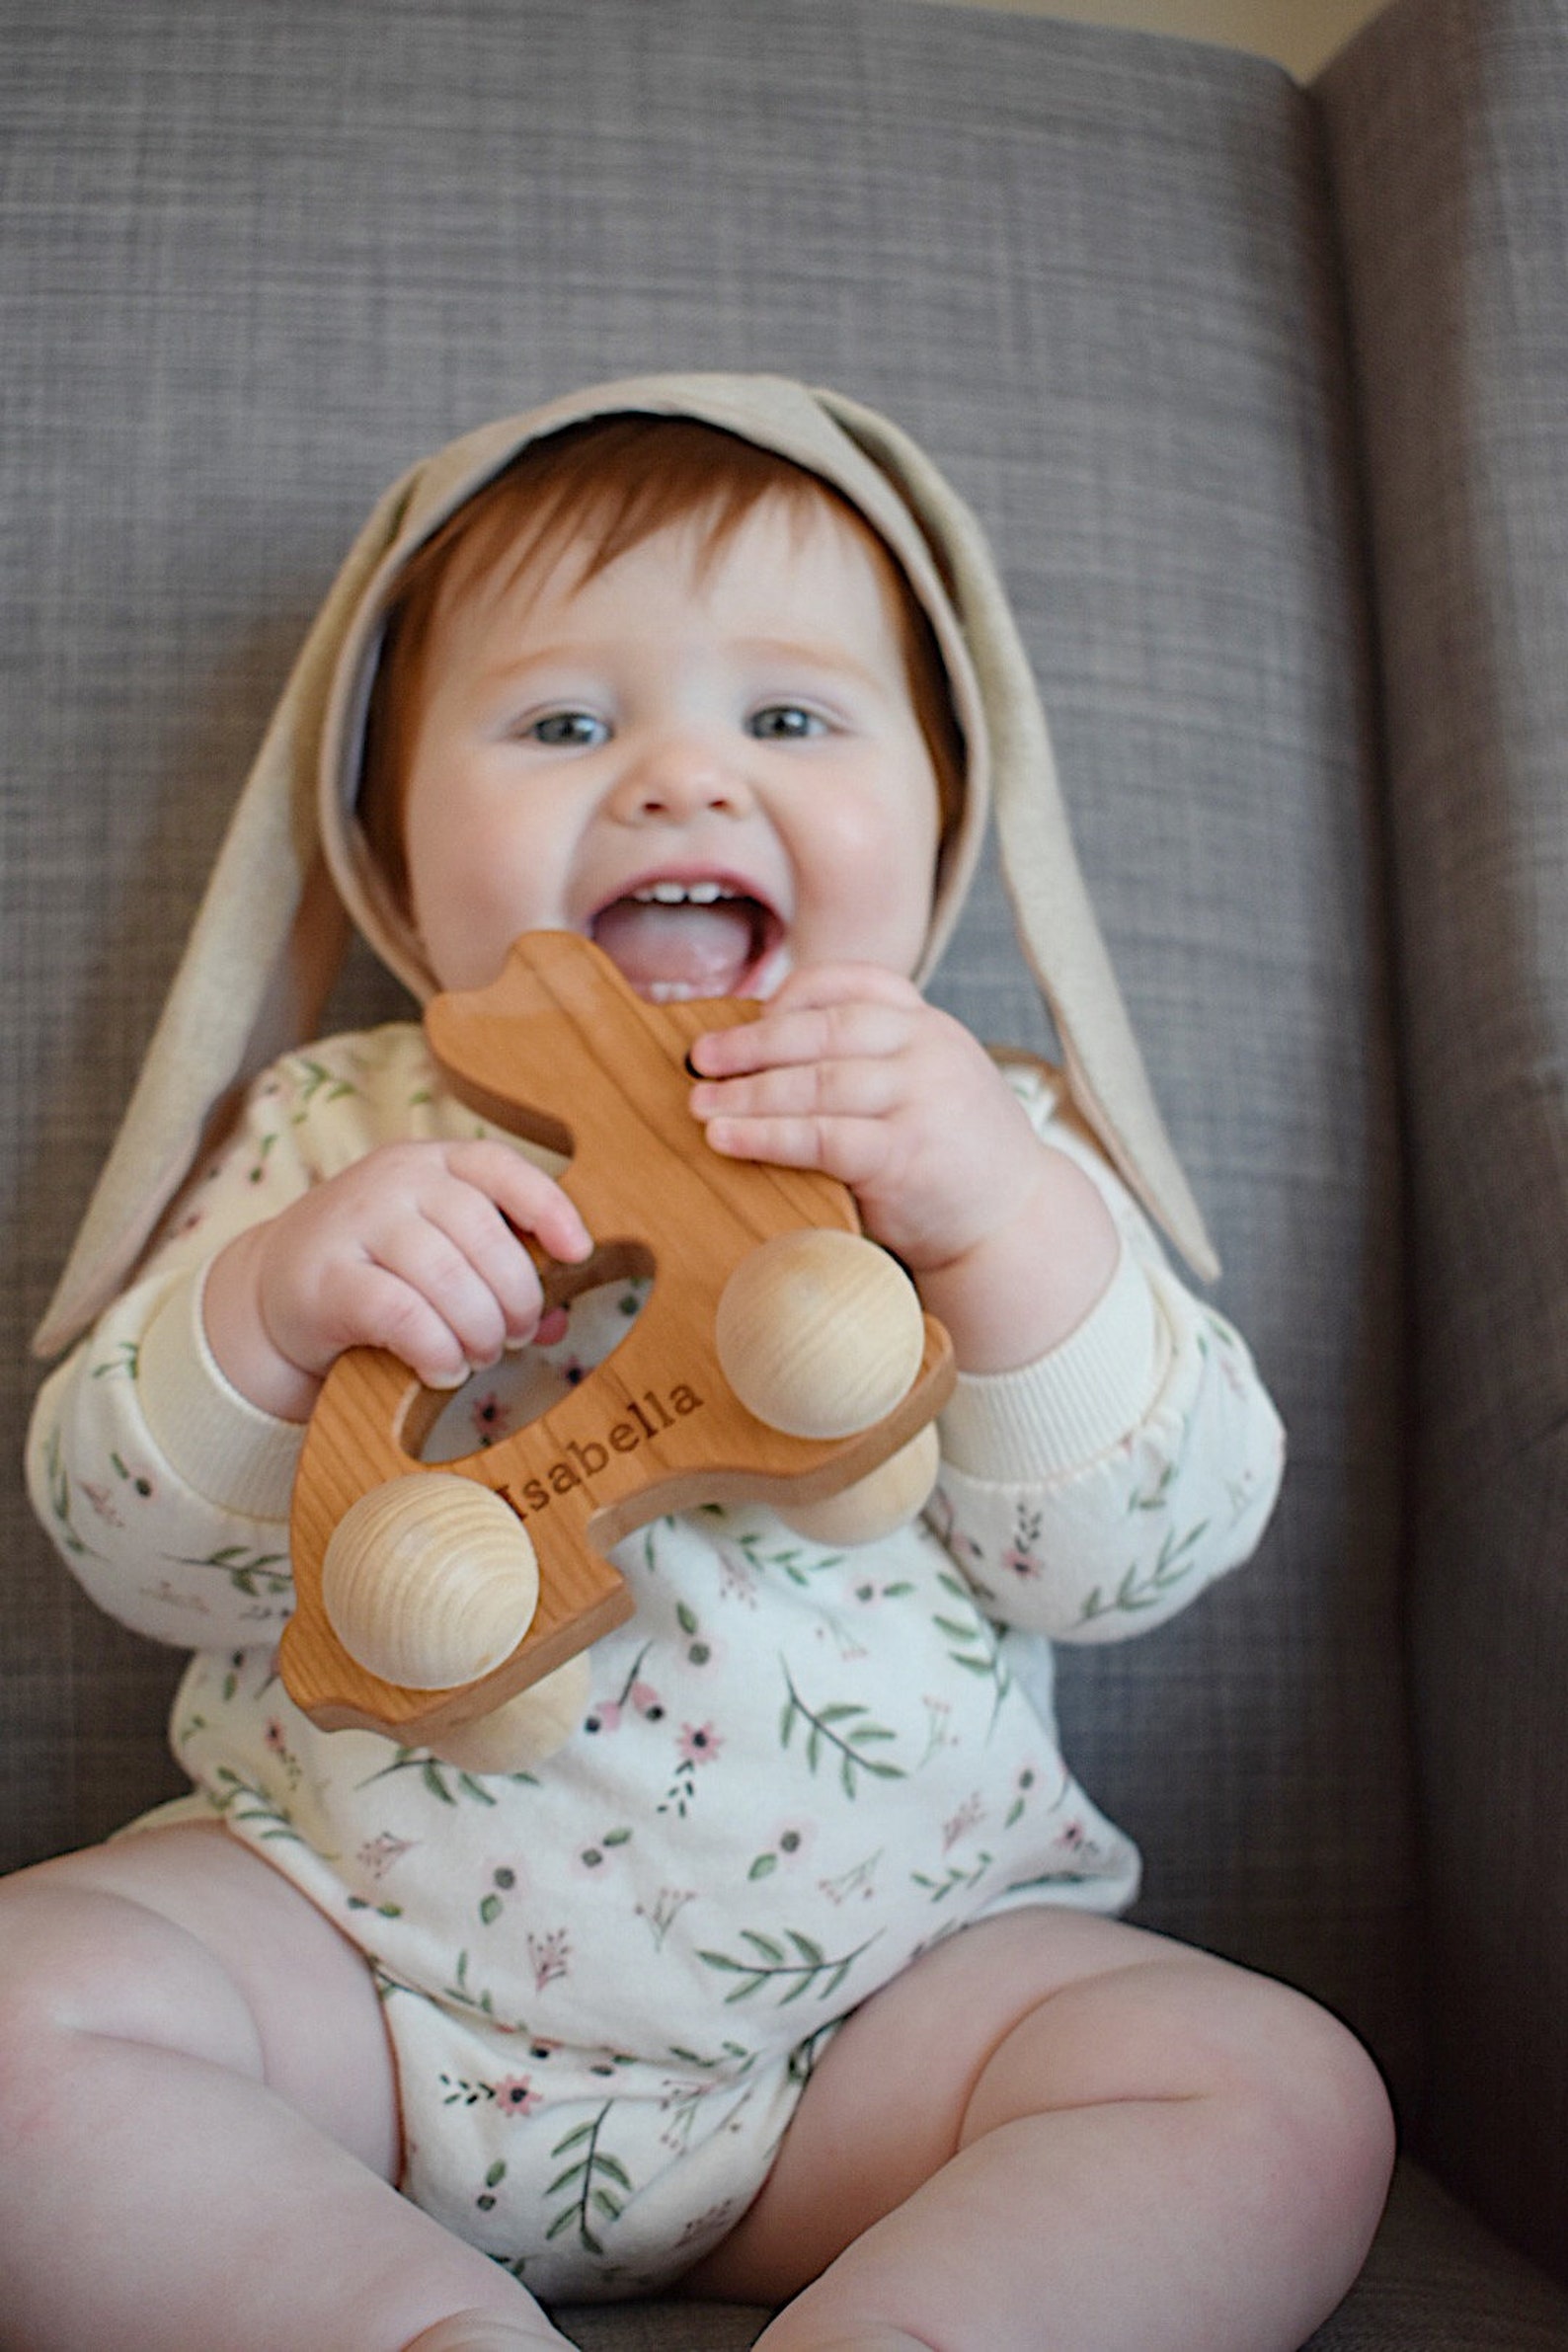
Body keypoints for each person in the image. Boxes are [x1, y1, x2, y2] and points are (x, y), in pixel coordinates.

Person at [6, 376, 1393, 2352]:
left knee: (1268, 2097)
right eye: (564, 722)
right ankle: (393, 2321)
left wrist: (995, 1223)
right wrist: (280, 1307)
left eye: (789, 718)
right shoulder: (338, 1135)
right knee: (21, 2016)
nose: (678, 778)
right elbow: (128, 1547)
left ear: (942, 828)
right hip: (357, 1986)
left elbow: (1135, 1554)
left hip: (886, 2023)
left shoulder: (974, 1134)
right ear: (387, 862)